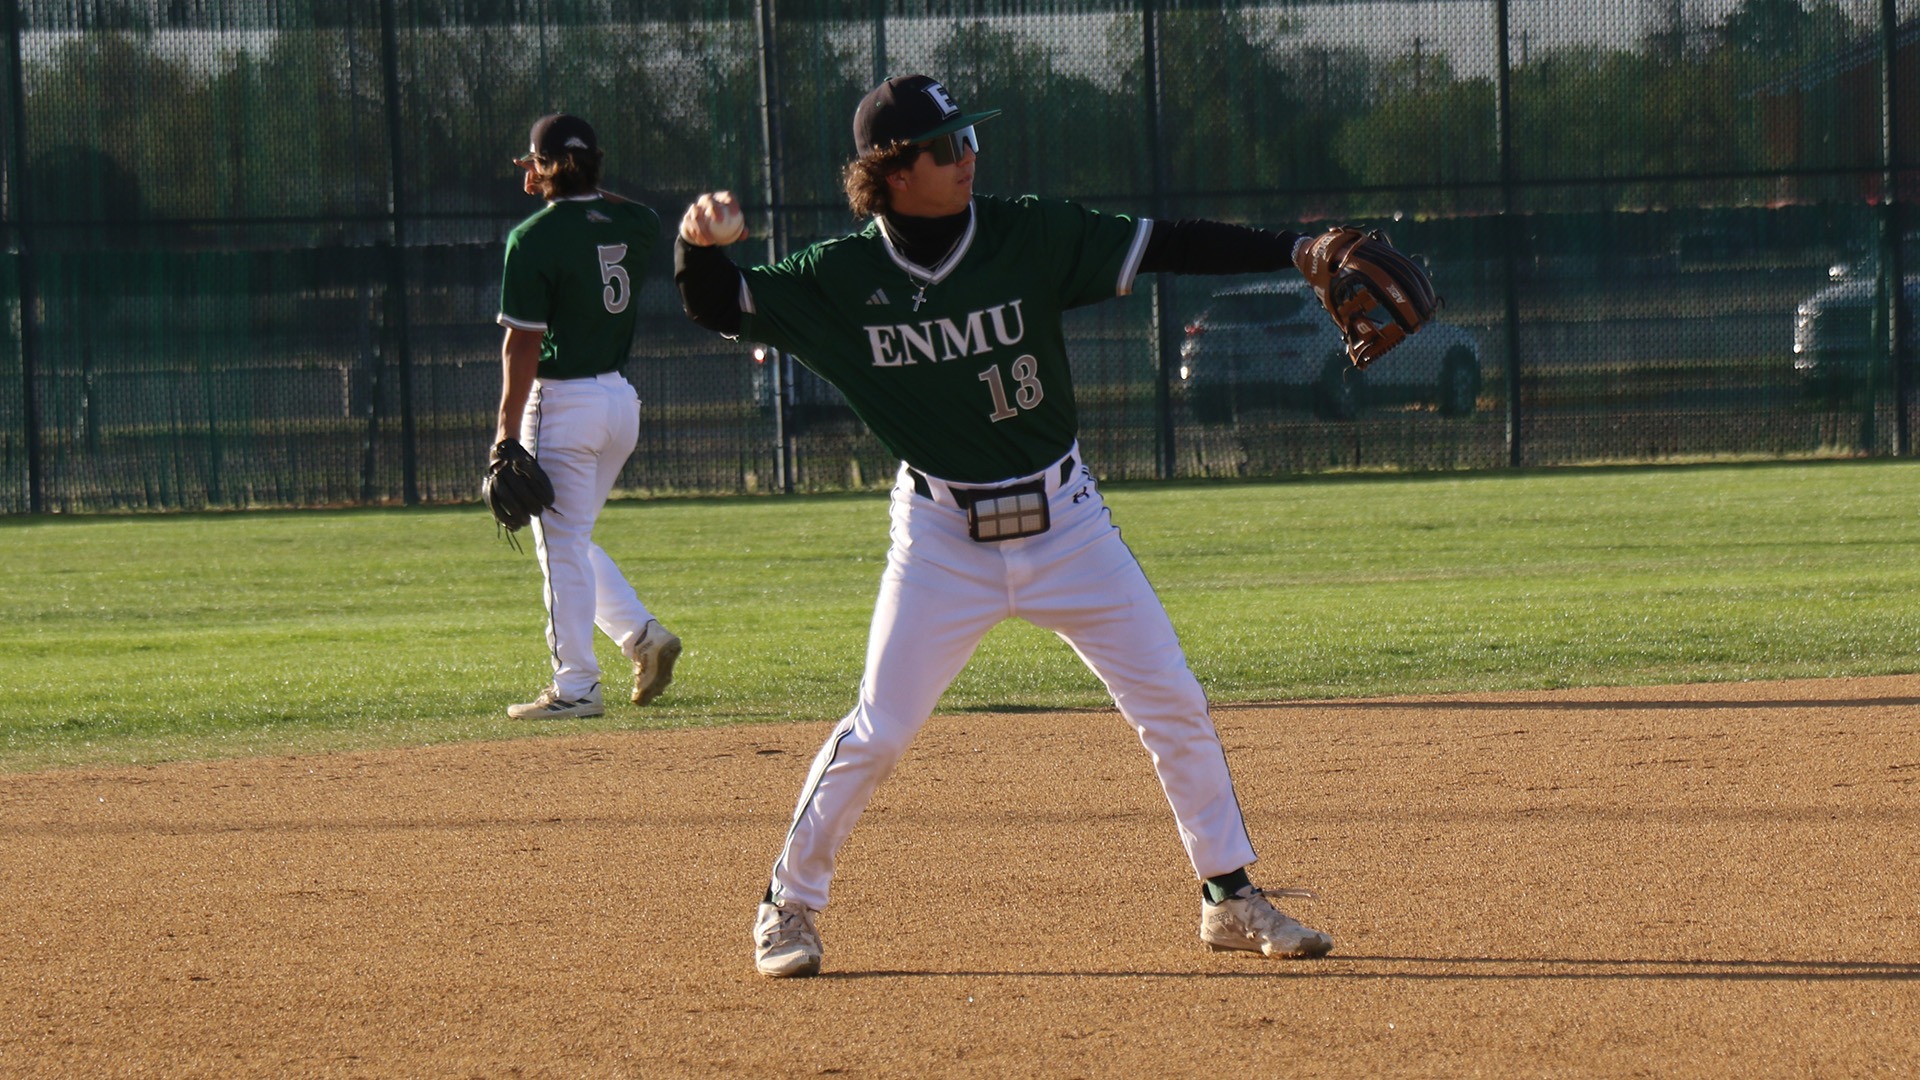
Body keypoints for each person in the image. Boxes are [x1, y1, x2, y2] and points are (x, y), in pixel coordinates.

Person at [675, 75, 1333, 977]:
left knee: (1171, 702)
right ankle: (786, 906)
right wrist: (696, 244)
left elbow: (1168, 242)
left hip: (1068, 522)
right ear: (891, 171)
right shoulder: (842, 278)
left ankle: (1228, 896)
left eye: (970, 139)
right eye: (948, 147)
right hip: (940, 539)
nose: (969, 157)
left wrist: (1295, 246)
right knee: (879, 731)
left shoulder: (1027, 233)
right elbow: (722, 304)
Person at [494, 113, 681, 720]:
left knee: (561, 544)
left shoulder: (532, 238)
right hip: (620, 405)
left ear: (540, 167)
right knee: (568, 539)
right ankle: (643, 639)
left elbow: (521, 346)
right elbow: (618, 209)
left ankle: (575, 685)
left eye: (533, 163)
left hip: (563, 405)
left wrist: (503, 432)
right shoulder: (637, 220)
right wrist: (572, 183)